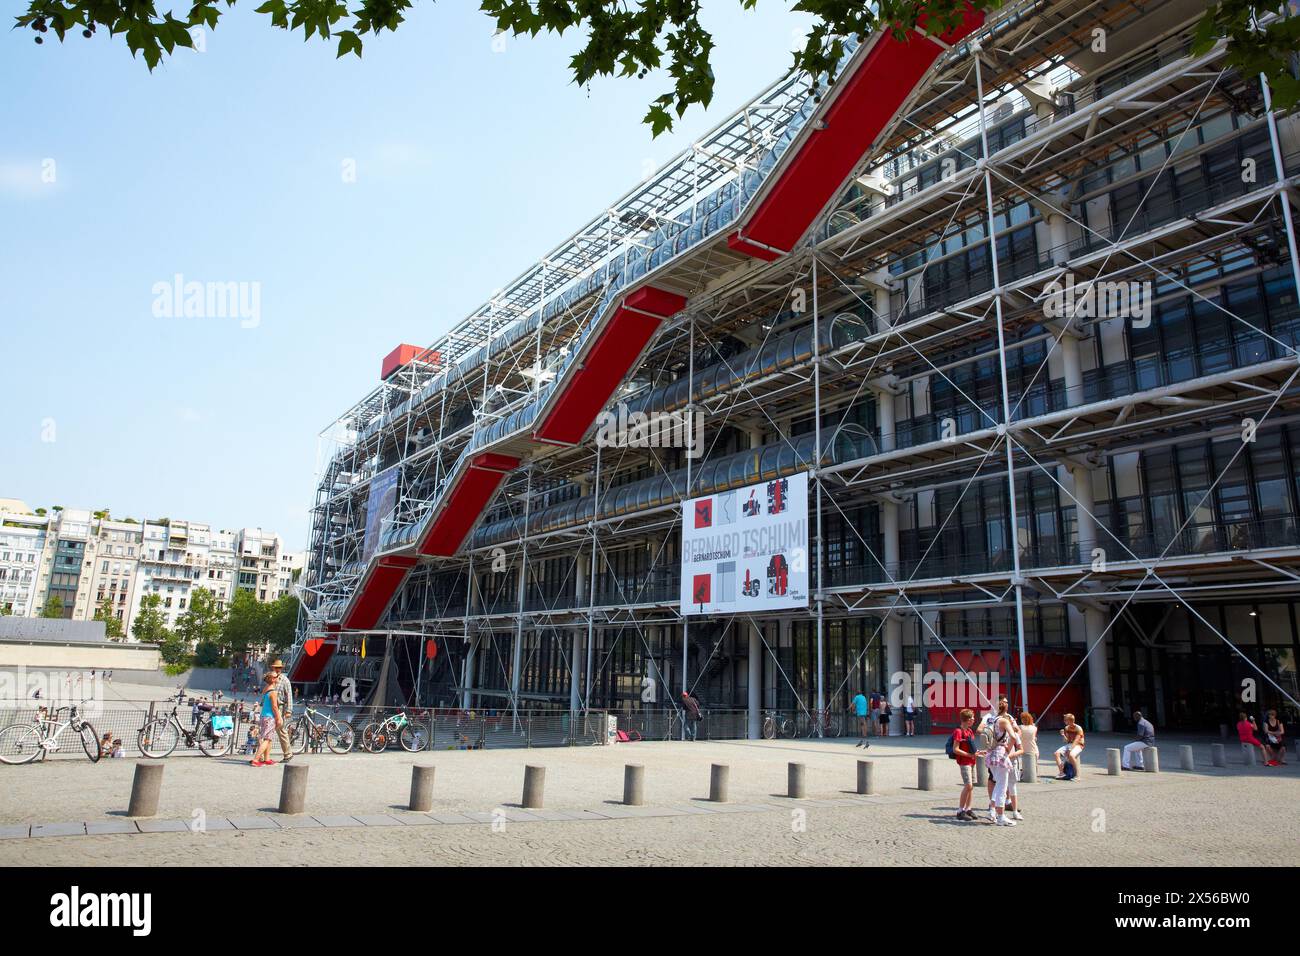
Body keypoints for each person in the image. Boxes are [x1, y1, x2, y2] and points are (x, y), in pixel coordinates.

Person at [984, 699, 1018, 826]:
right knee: (1002, 787)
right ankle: (1001, 816)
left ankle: (992, 811)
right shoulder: (1004, 721)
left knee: (998, 784)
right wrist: (1008, 749)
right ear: (1006, 709)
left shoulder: (991, 720)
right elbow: (1013, 737)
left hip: (990, 753)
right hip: (1000, 754)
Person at [950, 708, 984, 821]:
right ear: (967, 720)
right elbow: (955, 749)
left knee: (971, 787)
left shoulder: (969, 731)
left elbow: (971, 747)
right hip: (964, 762)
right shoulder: (958, 731)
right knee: (968, 785)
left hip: (971, 761)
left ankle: (968, 809)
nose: (974, 720)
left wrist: (977, 752)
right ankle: (960, 811)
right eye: (972, 718)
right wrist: (968, 755)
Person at [251, 672, 281, 767]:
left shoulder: (266, 689)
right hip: (270, 717)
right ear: (272, 679)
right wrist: (278, 717)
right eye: (277, 677)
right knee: (267, 739)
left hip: (263, 716)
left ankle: (267, 759)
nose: (278, 678)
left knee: (269, 738)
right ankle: (256, 760)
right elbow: (275, 707)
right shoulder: (273, 692)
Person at [269, 659, 294, 763]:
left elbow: (289, 696)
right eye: (276, 667)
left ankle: (288, 754)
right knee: (266, 732)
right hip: (270, 707)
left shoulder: (285, 680)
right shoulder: (270, 678)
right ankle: (262, 756)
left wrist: (289, 710)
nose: (277, 669)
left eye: (279, 668)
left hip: (280, 708)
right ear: (273, 668)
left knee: (281, 731)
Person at [1055, 713, 1085, 779]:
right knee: (1056, 753)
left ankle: (1077, 775)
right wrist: (1063, 735)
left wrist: (1070, 749)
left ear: (1071, 721)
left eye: (1066, 720)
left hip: (1079, 745)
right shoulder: (1066, 728)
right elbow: (1067, 741)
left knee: (1071, 755)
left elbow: (1077, 740)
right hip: (1070, 744)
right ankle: (1061, 772)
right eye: (1064, 720)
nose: (1064, 721)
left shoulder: (1078, 728)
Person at [1018, 711, 1039, 781]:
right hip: (1034, 749)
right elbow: (1034, 738)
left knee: (1024, 765)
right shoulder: (1034, 728)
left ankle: (1023, 775)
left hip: (1024, 749)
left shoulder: (1020, 727)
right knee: (1034, 765)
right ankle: (1034, 777)